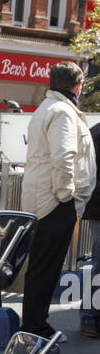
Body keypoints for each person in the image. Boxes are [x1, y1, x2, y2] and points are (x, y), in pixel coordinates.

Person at [20, 61, 96, 338]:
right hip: (54, 202)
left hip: (46, 199)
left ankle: (33, 324)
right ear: (78, 85)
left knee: (41, 266)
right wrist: (68, 198)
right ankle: (35, 327)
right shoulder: (62, 112)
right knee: (45, 268)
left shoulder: (48, 108)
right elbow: (63, 158)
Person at [79, 119, 100, 337]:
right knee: (98, 265)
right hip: (98, 209)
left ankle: (91, 317)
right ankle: (89, 317)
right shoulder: (96, 134)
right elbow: (88, 176)